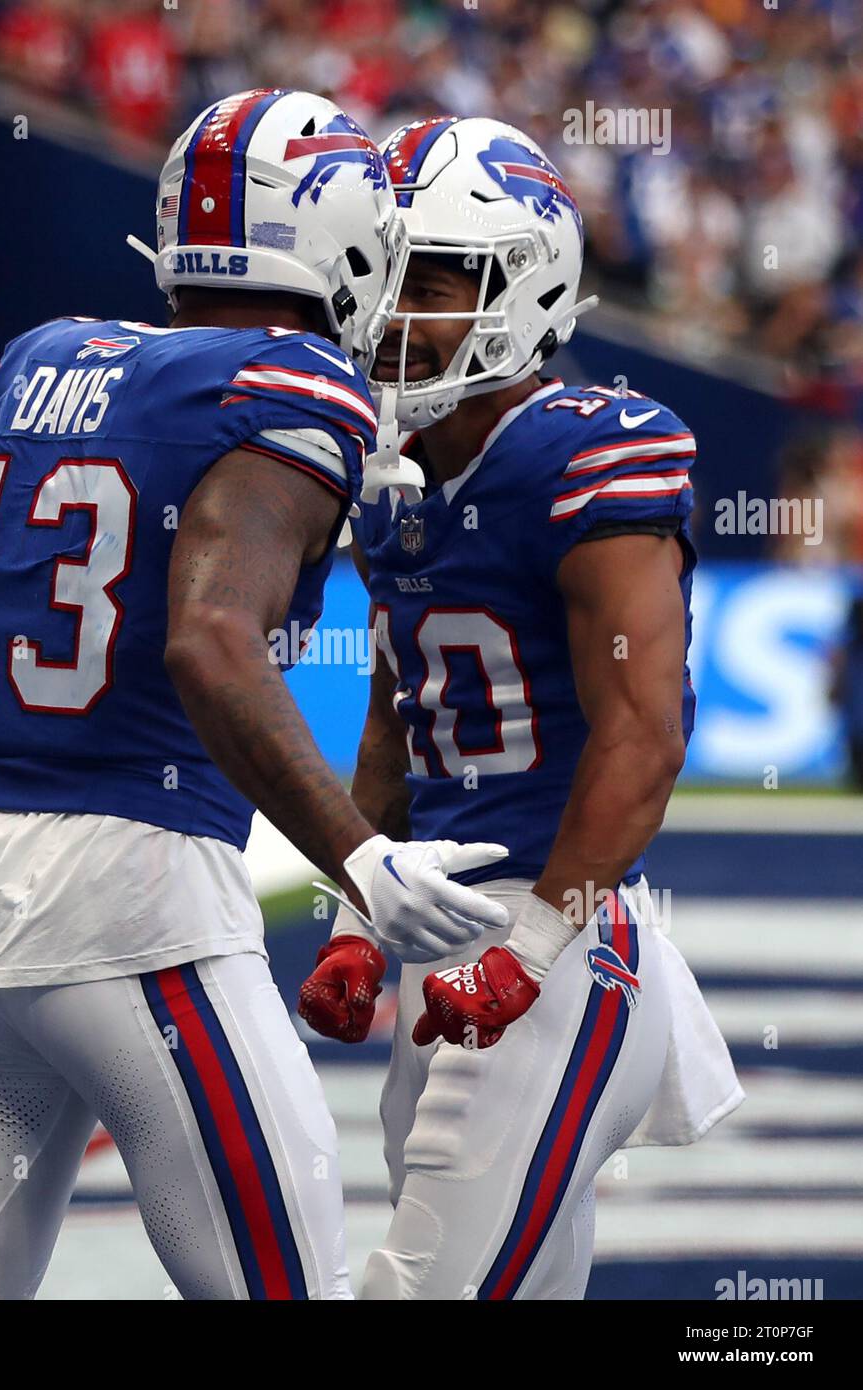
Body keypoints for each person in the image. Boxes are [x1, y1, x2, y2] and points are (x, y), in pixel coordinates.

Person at [0, 90, 510, 1301]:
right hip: (143, 908)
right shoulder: (295, 387)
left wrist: (22, 479)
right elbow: (209, 640)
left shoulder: (42, 358)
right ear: (343, 233)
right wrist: (361, 858)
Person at [298, 116, 744, 1300]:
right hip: (443, 935)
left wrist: (539, 942)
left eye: (433, 281)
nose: (397, 312)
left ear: (523, 286)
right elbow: (402, 717)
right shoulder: (393, 483)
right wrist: (354, 921)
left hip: (560, 940)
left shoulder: (581, 452)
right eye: (383, 276)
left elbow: (644, 733)